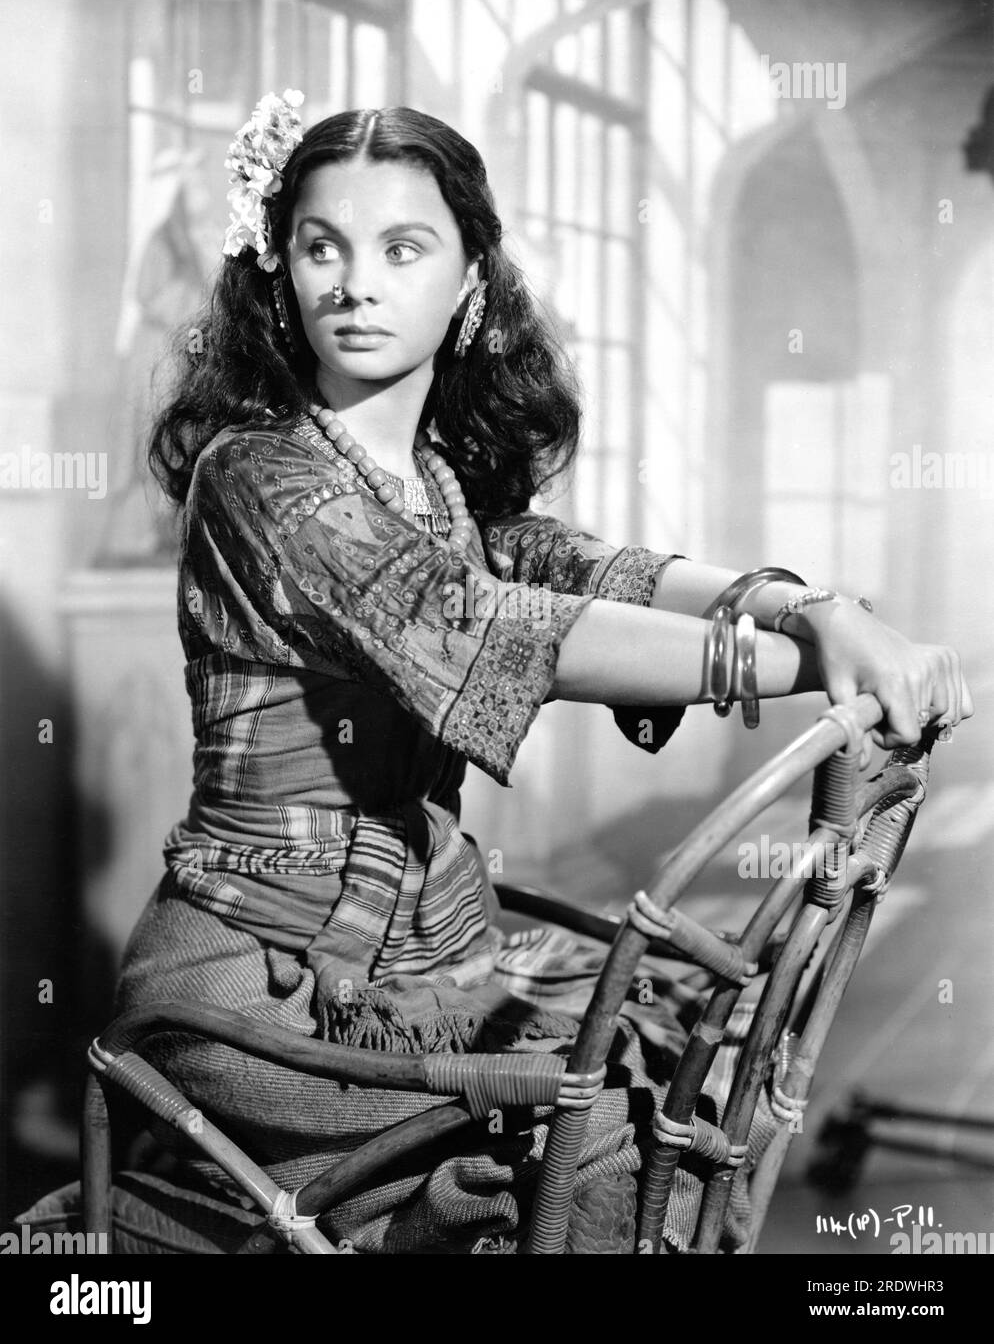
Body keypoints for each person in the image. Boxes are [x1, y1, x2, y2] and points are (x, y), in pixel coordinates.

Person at [114, 93, 971, 1254]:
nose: (354, 283)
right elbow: (489, 625)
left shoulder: (439, 489)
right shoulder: (258, 477)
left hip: (431, 953)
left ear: (468, 286)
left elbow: (608, 576)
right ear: (283, 272)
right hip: (258, 986)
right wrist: (806, 661)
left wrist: (818, 610)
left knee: (659, 1072)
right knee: (584, 1138)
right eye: (323, 247)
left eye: (402, 248)